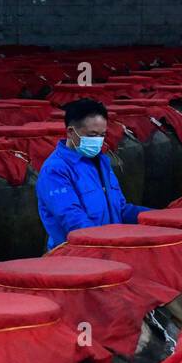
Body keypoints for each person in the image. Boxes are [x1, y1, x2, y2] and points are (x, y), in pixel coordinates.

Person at [36, 98, 150, 250]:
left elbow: (120, 209)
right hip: (77, 254)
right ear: (71, 132)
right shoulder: (55, 170)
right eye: (92, 135)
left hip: (108, 247)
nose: (98, 141)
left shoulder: (101, 162)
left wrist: (157, 218)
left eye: (102, 135)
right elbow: (72, 219)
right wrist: (108, 243)